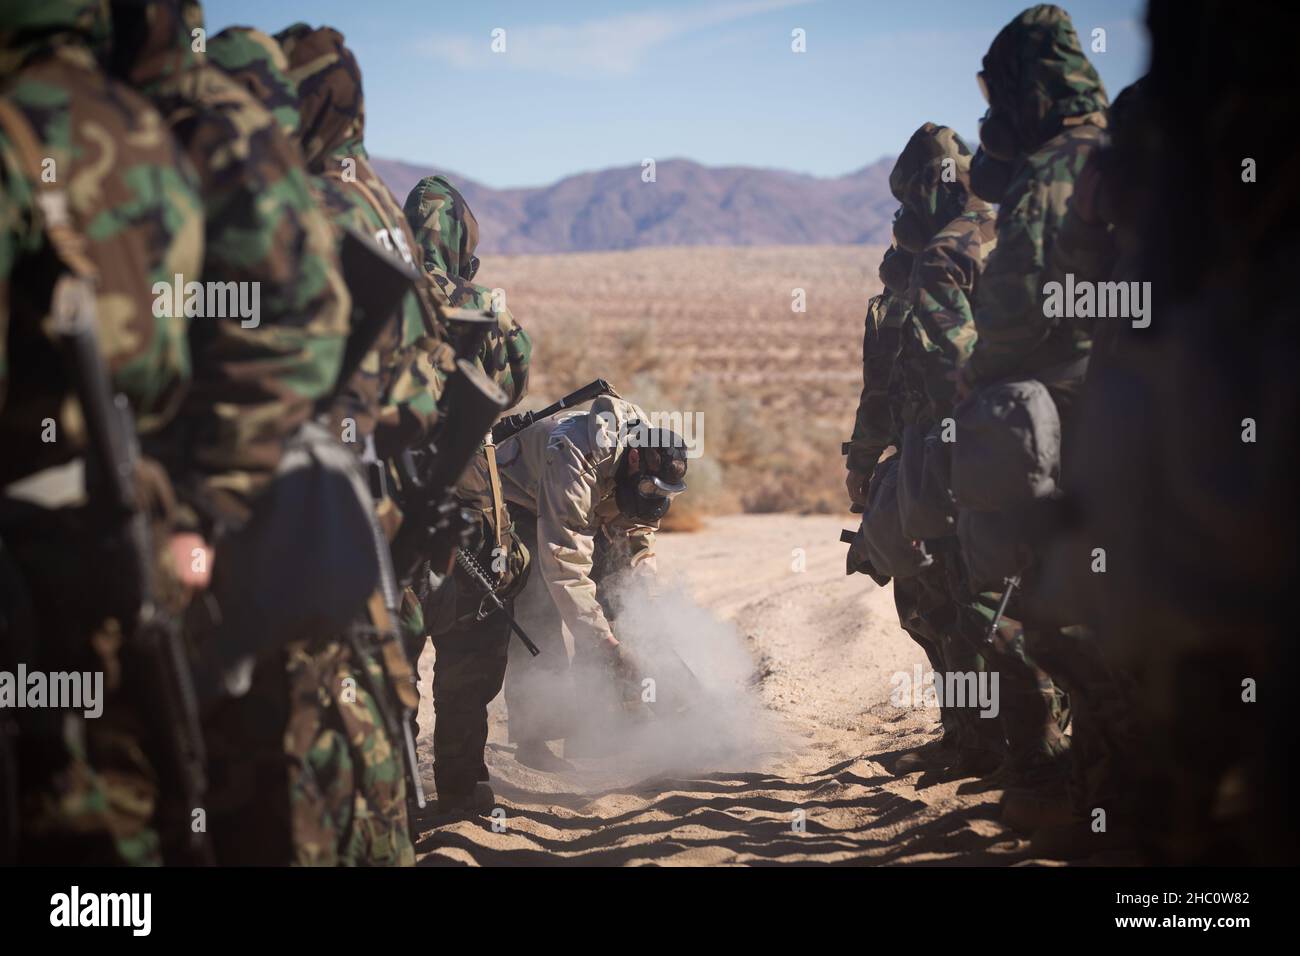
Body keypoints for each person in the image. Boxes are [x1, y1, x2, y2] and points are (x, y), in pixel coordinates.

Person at [0, 0, 205, 864]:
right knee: (127, 799)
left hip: (33, 524)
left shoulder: (17, 121)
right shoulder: (157, 137)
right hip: (135, 509)